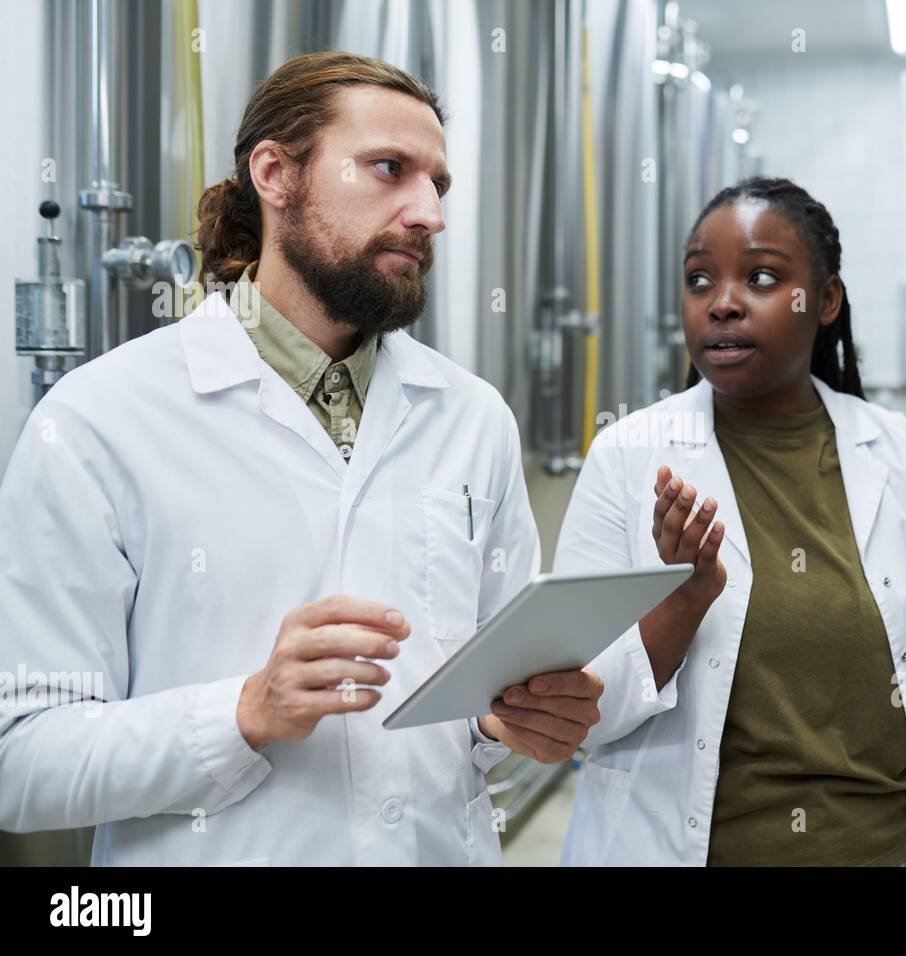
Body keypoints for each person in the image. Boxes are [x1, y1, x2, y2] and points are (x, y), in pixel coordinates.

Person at [0, 51, 602, 865]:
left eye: (438, 185)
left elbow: (478, 710)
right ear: (276, 175)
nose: (429, 213)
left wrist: (509, 722)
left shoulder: (472, 418)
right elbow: (22, 760)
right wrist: (245, 711)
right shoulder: (96, 422)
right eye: (390, 169)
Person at [554, 176, 906, 866]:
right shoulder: (626, 457)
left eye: (760, 277)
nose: (723, 304)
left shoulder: (905, 453)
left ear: (824, 300)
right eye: (699, 280)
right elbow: (579, 711)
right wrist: (684, 600)